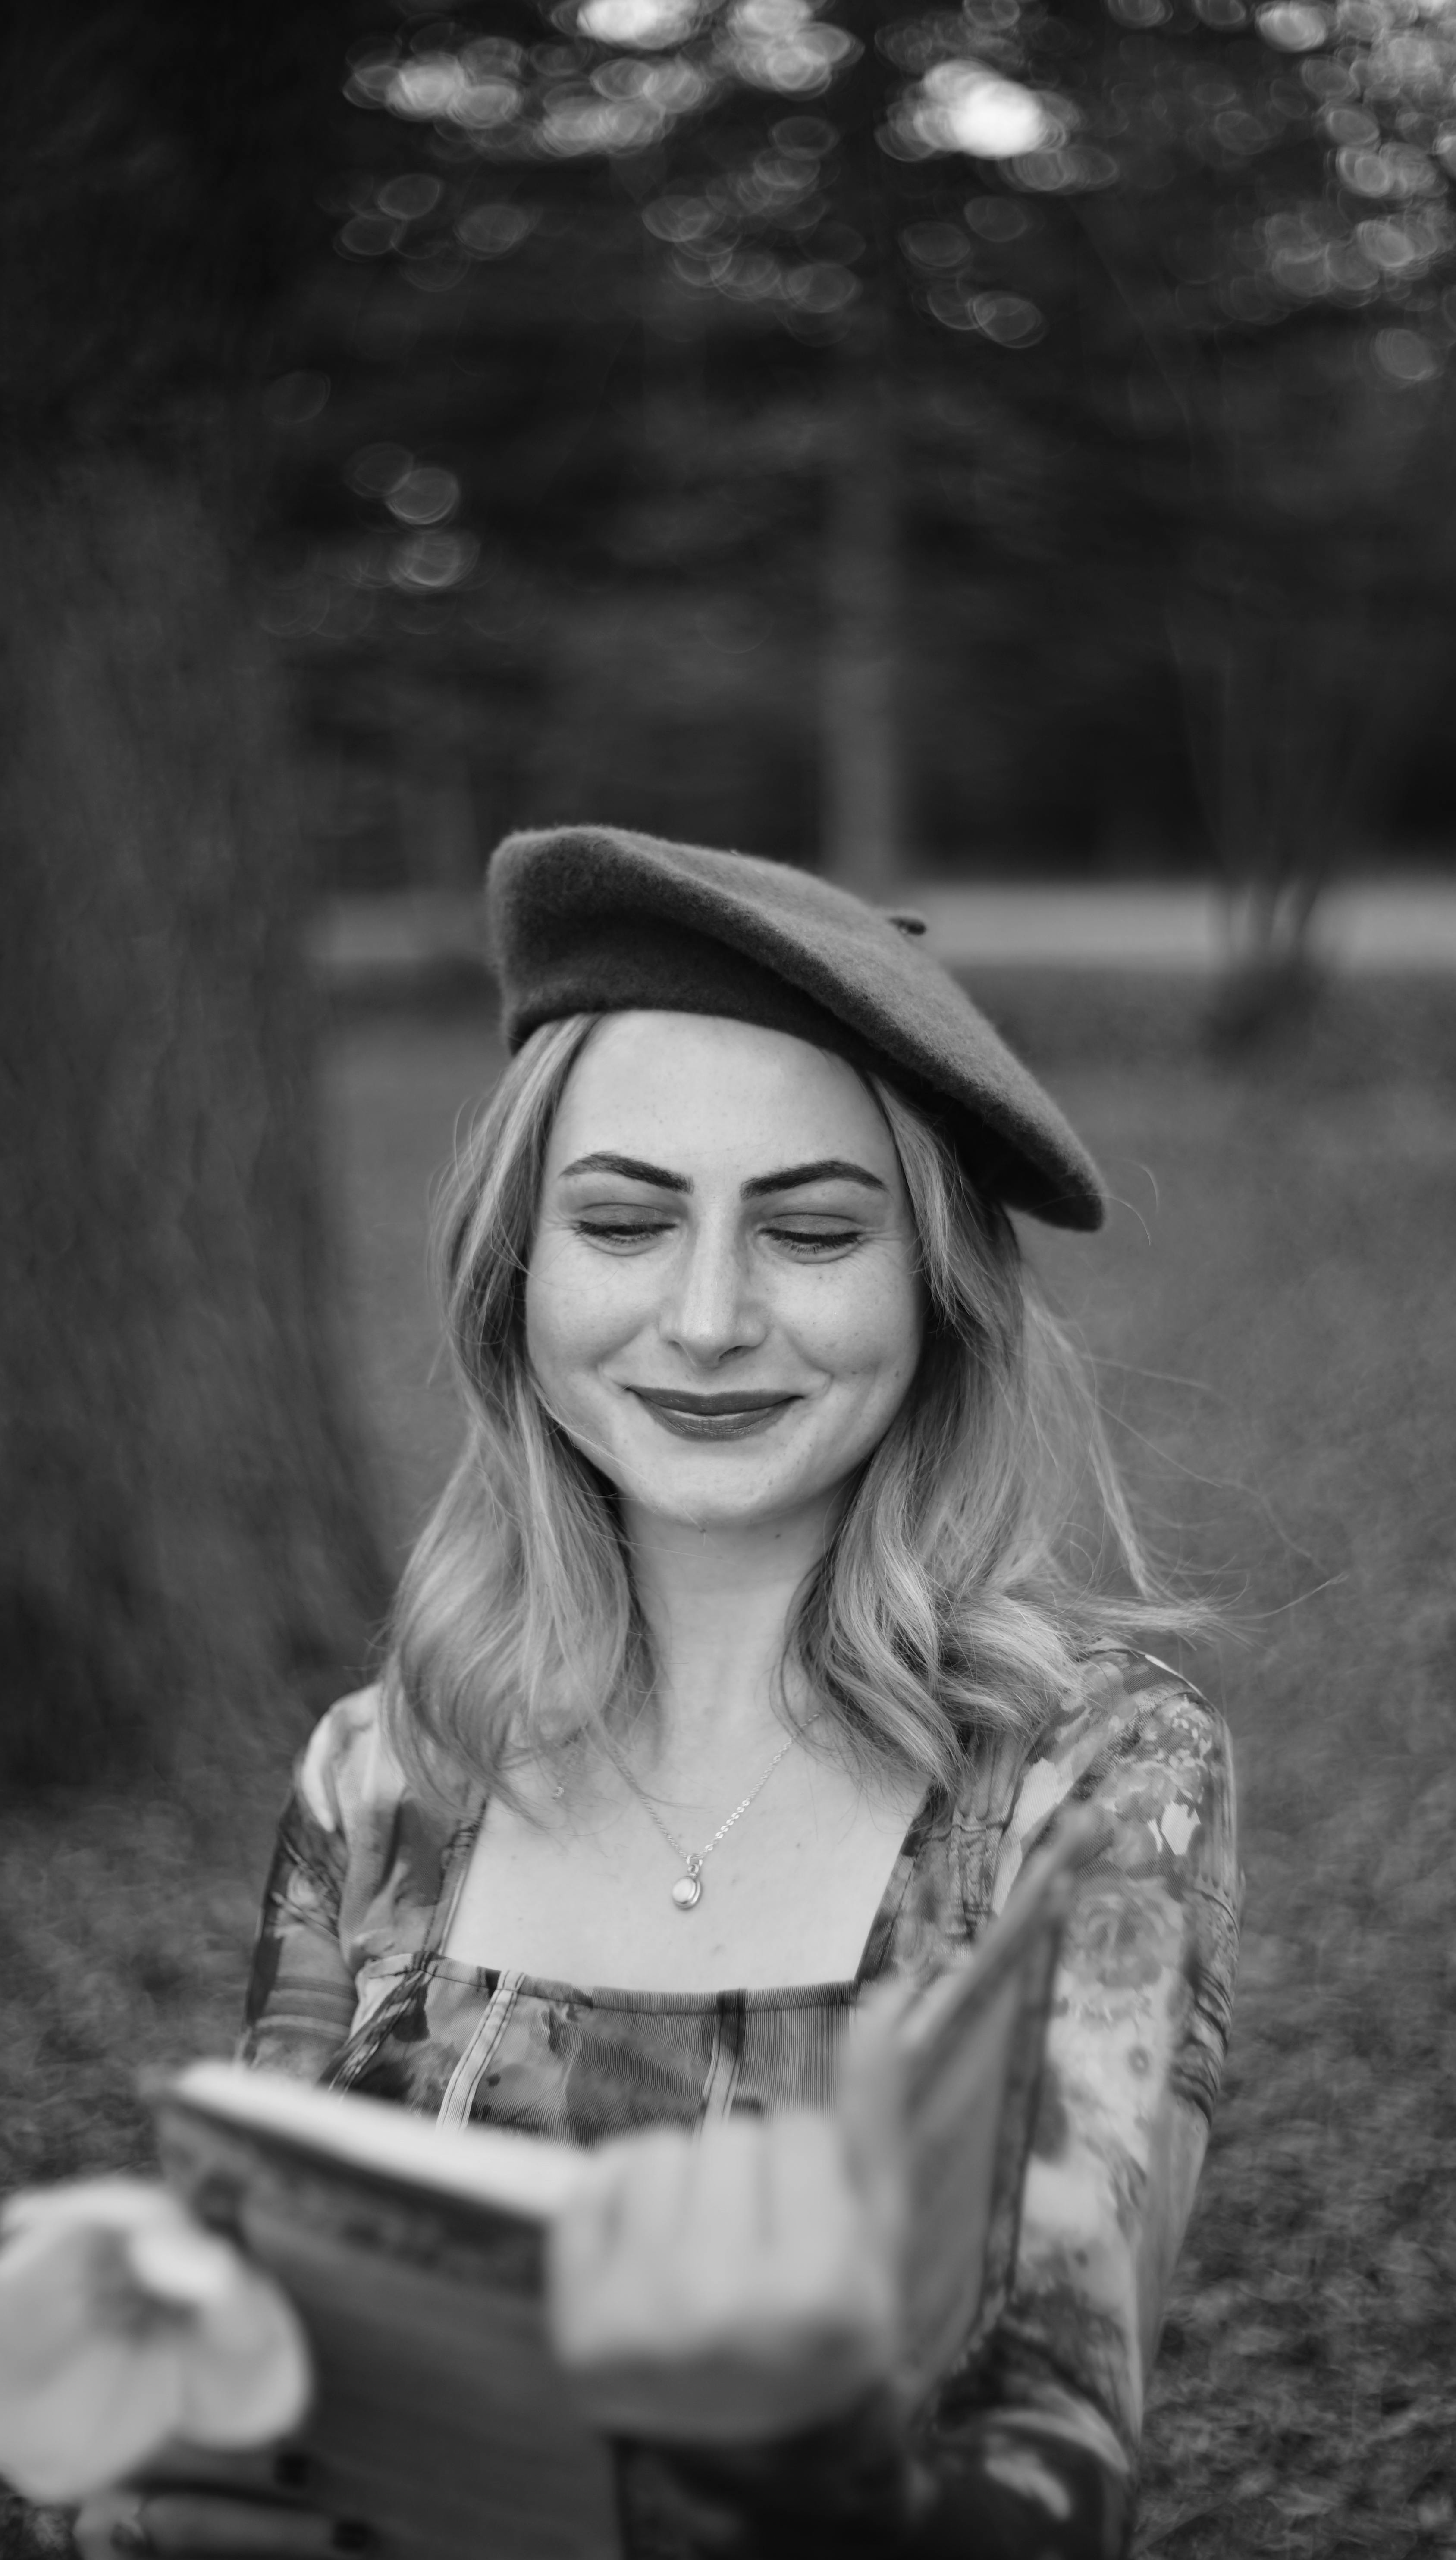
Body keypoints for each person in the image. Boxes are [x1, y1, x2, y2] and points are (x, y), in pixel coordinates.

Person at [47, 826, 1238, 2559]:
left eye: (810, 1232)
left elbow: (1050, 2473)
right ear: (516, 1275)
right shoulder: (384, 1777)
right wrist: (151, 2455)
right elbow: (256, 2376)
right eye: (621, 1220)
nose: (703, 1317)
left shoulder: (1093, 1779)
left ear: (934, 1288)